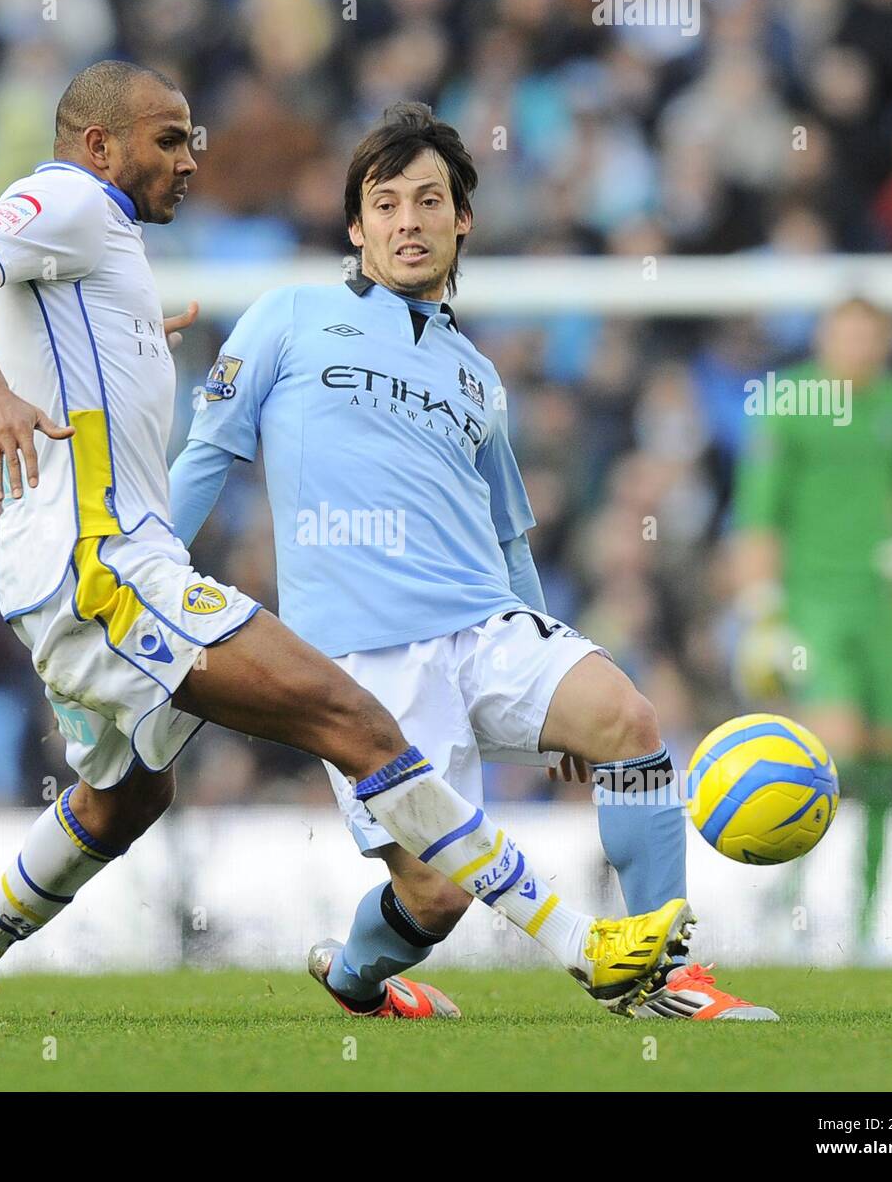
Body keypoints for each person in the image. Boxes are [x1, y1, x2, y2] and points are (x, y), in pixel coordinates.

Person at [0, 63, 692, 1020]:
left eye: (191, 139)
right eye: (169, 140)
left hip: (88, 575)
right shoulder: (74, 198)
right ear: (100, 146)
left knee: (126, 802)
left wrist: (131, 333)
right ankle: (582, 946)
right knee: (358, 725)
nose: (191, 160)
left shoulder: (118, 257)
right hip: (110, 570)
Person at [169, 102, 767, 1021]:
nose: (408, 221)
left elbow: (507, 534)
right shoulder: (288, 316)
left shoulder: (475, 372)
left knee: (629, 719)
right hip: (361, 661)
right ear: (355, 225)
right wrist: (149, 580)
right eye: (386, 203)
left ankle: (669, 973)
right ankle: (358, 978)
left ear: (462, 222)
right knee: (437, 896)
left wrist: (557, 661)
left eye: (428, 201)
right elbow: (209, 454)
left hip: (485, 622)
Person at [734, 297, 892, 951]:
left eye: (868, 335)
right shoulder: (789, 402)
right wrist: (763, 612)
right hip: (813, 603)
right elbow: (758, 515)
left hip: (883, 608)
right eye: (844, 333)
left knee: (885, 758)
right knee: (835, 748)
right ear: (824, 337)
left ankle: (865, 926)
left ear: (884, 341)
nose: (855, 346)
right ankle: (789, 903)